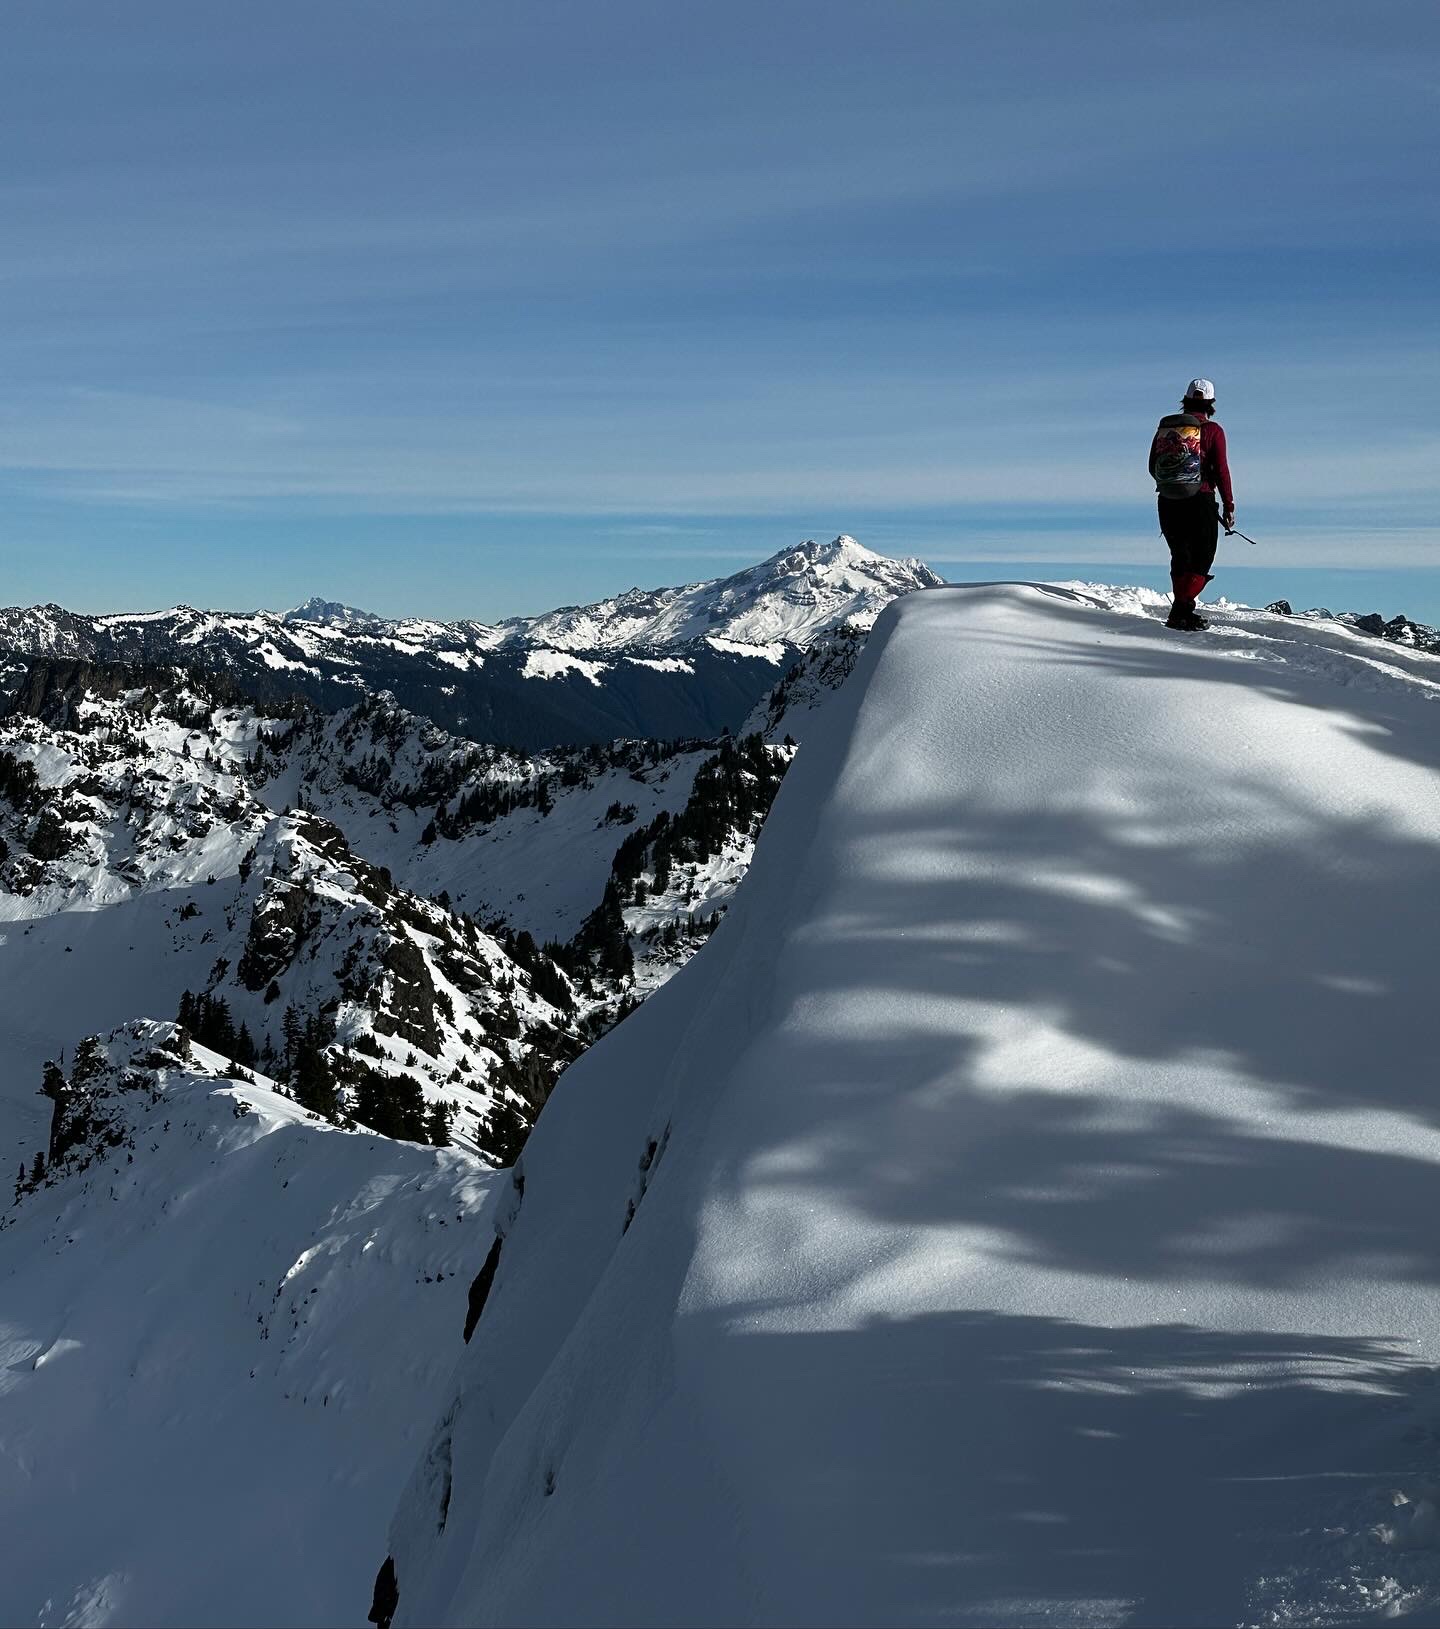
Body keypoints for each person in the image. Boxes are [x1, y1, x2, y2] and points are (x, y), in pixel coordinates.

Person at [1148, 378, 1235, 631]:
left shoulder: (1166, 430)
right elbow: (1221, 470)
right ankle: (1182, 610)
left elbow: (1152, 466)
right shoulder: (1213, 430)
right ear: (1211, 403)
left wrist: (1173, 484)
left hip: (1168, 500)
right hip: (1201, 499)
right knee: (1202, 556)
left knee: (1180, 555)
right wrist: (1229, 505)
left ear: (1184, 400)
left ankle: (1181, 610)